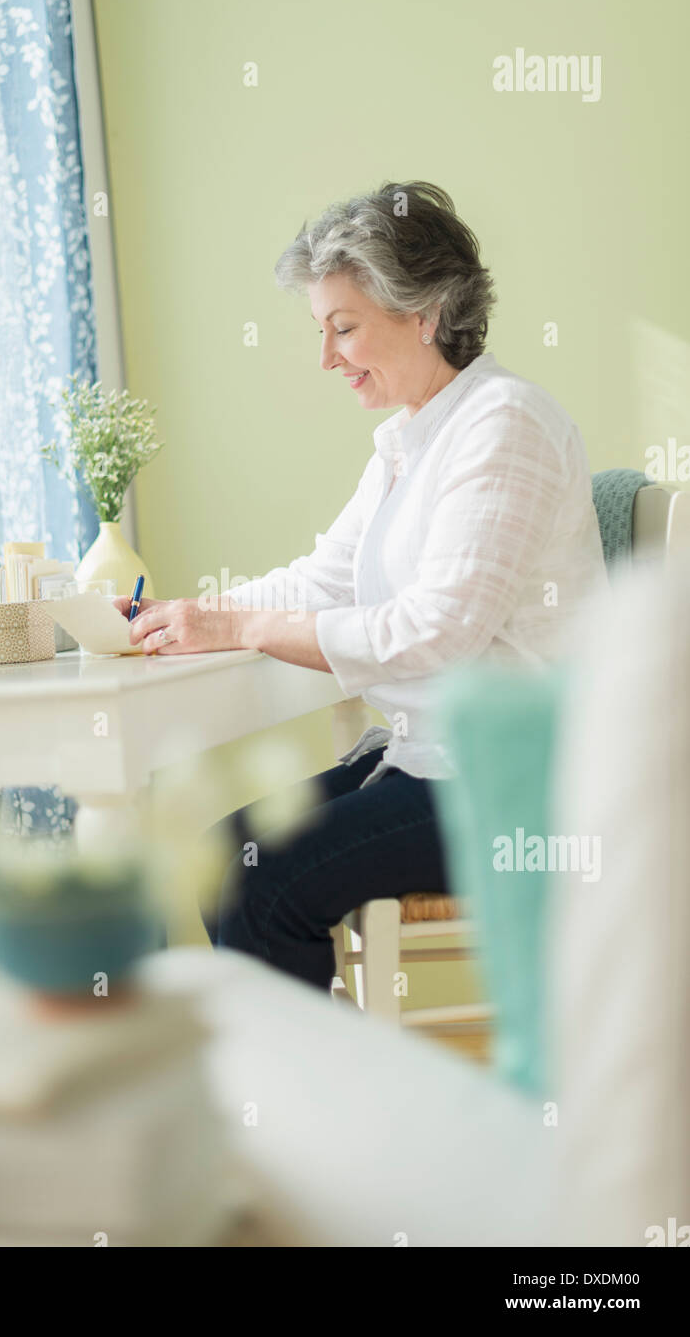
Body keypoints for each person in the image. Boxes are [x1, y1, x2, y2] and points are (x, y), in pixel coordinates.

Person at [113, 181, 607, 991]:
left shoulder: (505, 423)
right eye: (321, 330)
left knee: (259, 885)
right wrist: (192, 613)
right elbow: (325, 576)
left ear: (425, 312)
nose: (326, 357)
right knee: (225, 859)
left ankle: (311, 1102)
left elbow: (435, 630)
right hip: (430, 759)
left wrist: (241, 631)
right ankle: (320, 1085)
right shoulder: (409, 439)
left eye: (344, 328)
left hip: (513, 780)